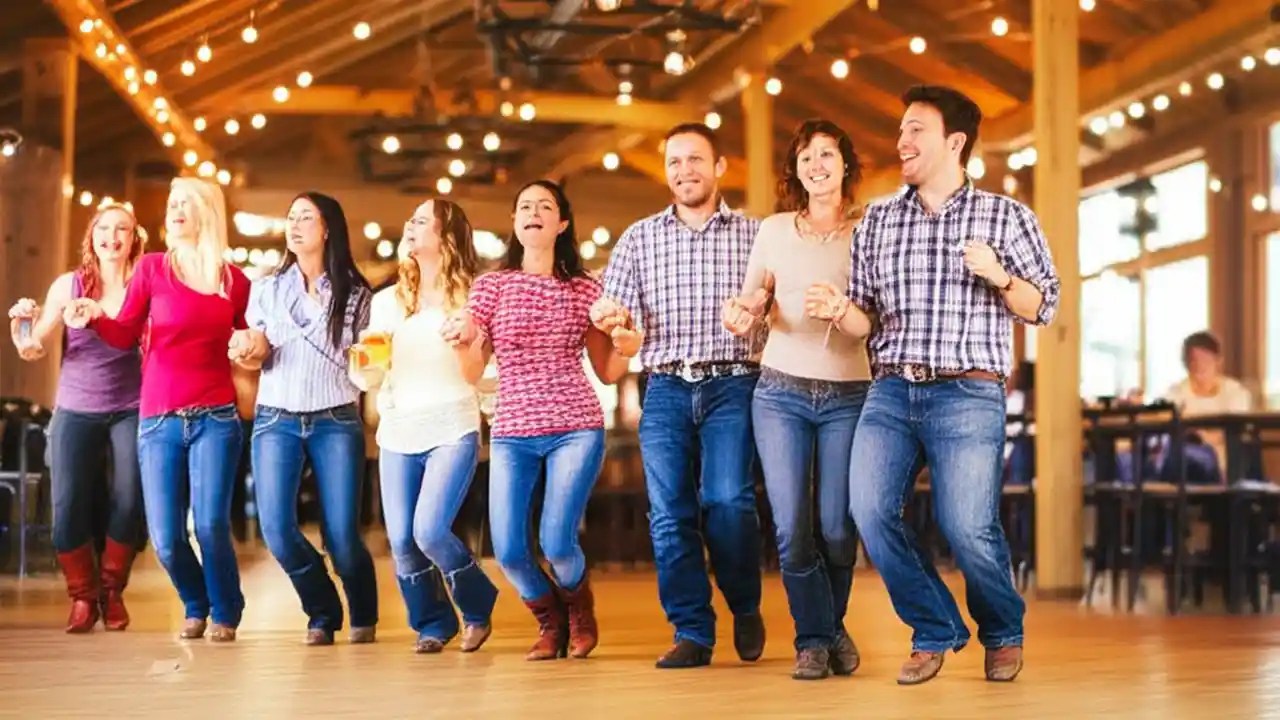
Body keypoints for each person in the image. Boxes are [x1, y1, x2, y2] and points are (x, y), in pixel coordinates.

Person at [807, 84, 1060, 684]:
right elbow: (866, 317)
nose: (902, 141)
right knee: (867, 512)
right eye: (900, 130)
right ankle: (933, 628)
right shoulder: (879, 221)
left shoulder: (1006, 216)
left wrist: (999, 275)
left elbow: (1041, 306)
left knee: (968, 525)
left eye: (915, 129)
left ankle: (1002, 632)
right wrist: (841, 310)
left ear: (955, 141)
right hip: (892, 389)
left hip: (969, 392)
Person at [593, 123, 765, 669]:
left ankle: (744, 604)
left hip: (734, 381)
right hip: (664, 384)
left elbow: (777, 309)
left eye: (695, 160)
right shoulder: (638, 238)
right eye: (674, 162)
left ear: (718, 167)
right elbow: (614, 313)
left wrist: (759, 314)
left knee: (728, 500)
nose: (684, 171)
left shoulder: (755, 235)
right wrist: (614, 324)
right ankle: (692, 629)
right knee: (668, 513)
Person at [447, 179, 631, 661]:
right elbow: (472, 372)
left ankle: (579, 612)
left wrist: (629, 345)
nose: (533, 212)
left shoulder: (585, 288)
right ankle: (550, 619)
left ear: (561, 223)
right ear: (514, 222)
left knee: (556, 540)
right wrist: (464, 341)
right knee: (508, 549)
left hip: (575, 425)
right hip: (512, 431)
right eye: (525, 206)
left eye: (544, 206)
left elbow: (608, 371)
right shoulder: (491, 286)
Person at [65, 177, 251, 642]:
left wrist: (253, 347)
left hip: (216, 417)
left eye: (187, 203)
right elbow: (125, 331)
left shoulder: (234, 280)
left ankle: (224, 611)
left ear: (207, 212)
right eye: (172, 203)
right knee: (167, 538)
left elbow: (250, 343)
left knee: (209, 524)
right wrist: (95, 317)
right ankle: (195, 601)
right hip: (159, 418)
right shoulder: (151, 268)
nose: (176, 210)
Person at [721, 119, 869, 680]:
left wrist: (843, 311)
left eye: (827, 154)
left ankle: (830, 625)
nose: (817, 165)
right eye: (807, 156)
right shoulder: (775, 230)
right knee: (791, 526)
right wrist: (742, 313)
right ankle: (815, 639)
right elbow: (752, 298)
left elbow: (871, 323)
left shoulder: (867, 230)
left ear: (845, 164)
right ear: (796, 169)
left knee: (835, 524)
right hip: (779, 389)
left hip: (849, 392)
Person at [349, 197, 500, 654]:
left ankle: (476, 608)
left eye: (421, 220)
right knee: (402, 540)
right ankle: (433, 622)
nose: (410, 226)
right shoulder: (387, 301)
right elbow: (368, 377)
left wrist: (472, 347)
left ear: (446, 235)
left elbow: (491, 374)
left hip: (453, 423)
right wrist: (365, 360)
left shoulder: (476, 296)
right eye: (410, 220)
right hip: (398, 428)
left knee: (430, 529)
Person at [228, 192, 378, 646]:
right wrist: (249, 351)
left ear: (327, 228)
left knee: (341, 534)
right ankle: (322, 608)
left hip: (336, 419)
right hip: (277, 418)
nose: (294, 225)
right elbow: (255, 355)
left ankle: (364, 613)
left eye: (306, 218)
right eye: (290, 218)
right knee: (276, 528)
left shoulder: (356, 294)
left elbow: (366, 361)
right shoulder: (267, 289)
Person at [7, 203, 145, 633]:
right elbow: (35, 347)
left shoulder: (144, 285)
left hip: (133, 406)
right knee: (67, 508)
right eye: (103, 229)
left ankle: (112, 591)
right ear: (91, 237)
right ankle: (83, 598)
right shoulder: (69, 285)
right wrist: (21, 329)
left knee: (130, 500)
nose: (112, 236)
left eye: (122, 229)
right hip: (76, 406)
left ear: (134, 238)